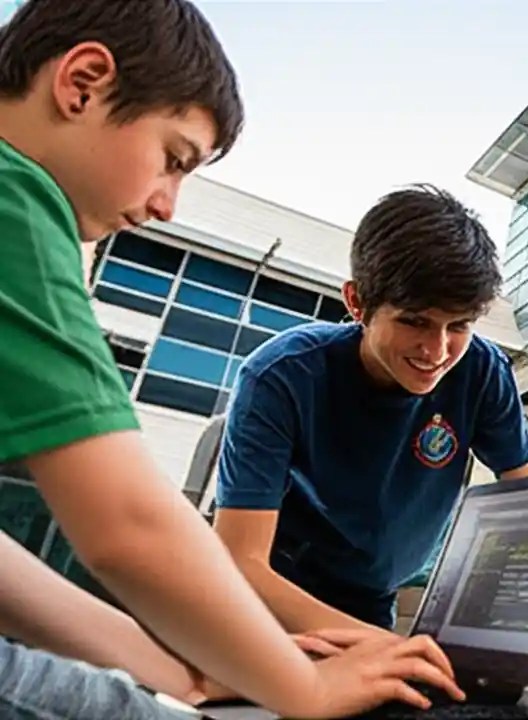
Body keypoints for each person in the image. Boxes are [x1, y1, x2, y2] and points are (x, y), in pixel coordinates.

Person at [0, 0, 462, 718]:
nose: (167, 206)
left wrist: (184, 671)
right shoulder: (17, 205)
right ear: (83, 82)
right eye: (174, 159)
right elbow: (127, 526)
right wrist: (302, 686)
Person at [213, 184, 528, 636]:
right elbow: (238, 561)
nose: (438, 351)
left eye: (459, 326)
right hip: (271, 592)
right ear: (356, 303)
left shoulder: (482, 370)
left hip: (371, 598)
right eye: (414, 321)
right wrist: (387, 649)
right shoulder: (281, 376)